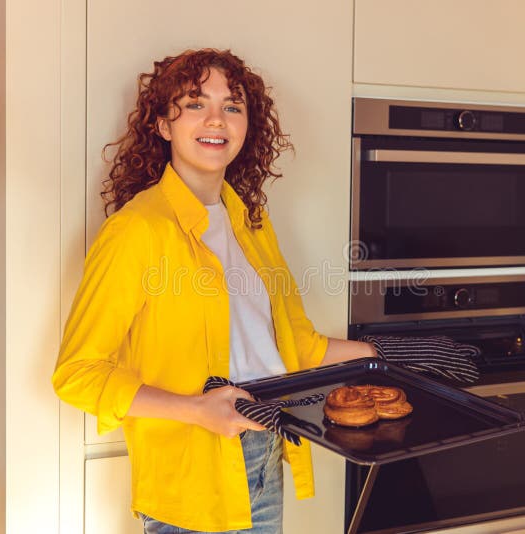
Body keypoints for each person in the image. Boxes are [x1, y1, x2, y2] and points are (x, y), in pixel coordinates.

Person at [52, 48, 376, 534]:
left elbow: (294, 345)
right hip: (191, 482)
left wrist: (384, 356)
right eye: (195, 103)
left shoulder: (252, 222)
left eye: (232, 106)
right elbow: (77, 373)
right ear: (163, 125)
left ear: (249, 125)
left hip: (266, 451)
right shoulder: (137, 231)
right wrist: (197, 411)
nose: (215, 120)